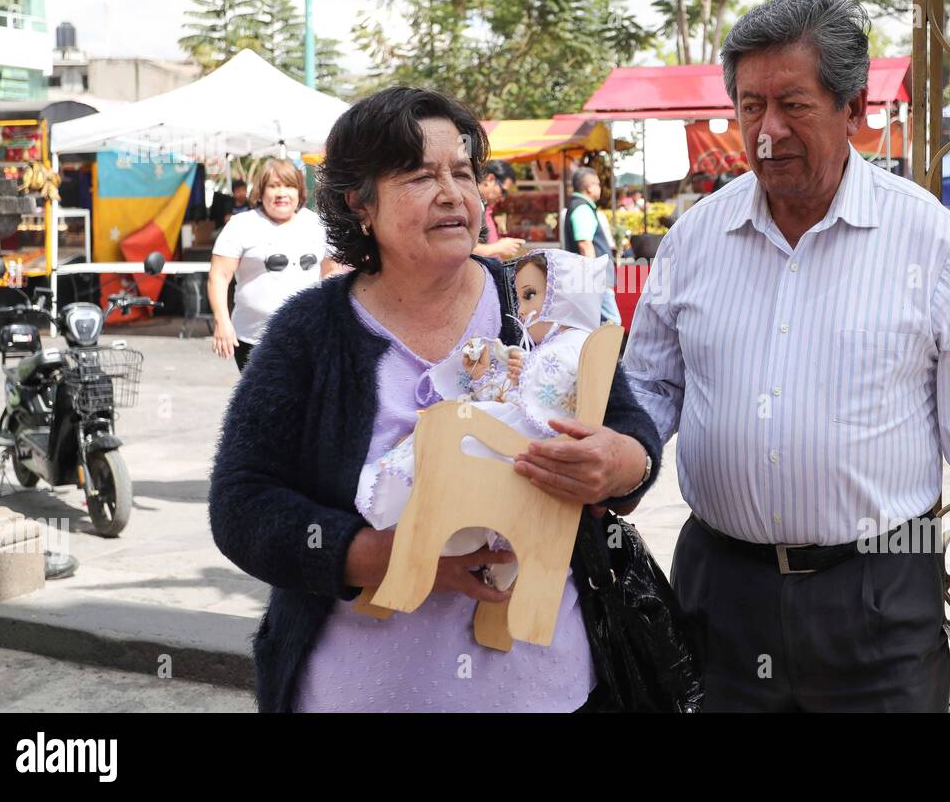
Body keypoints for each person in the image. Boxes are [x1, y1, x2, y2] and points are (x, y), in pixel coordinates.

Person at [620, 0, 950, 712]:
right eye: (750, 106)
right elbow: (650, 389)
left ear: (854, 110)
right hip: (720, 599)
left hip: (877, 601)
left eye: (793, 105)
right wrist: (616, 453)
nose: (768, 132)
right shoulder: (694, 241)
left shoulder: (929, 243)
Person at [208, 86, 661, 713]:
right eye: (421, 176)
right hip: (361, 691)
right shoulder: (311, 332)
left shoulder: (530, 301)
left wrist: (622, 464)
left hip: (544, 689)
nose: (454, 193)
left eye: (464, 171)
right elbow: (241, 503)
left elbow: (632, 430)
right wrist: (374, 556)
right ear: (359, 205)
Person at [358, 248, 610, 593]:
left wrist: (526, 373)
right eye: (521, 296)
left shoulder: (572, 346)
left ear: (564, 299)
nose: (522, 309)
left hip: (527, 443)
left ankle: (424, 530)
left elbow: (555, 397)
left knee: (450, 439)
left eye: (532, 296)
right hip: (521, 437)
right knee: (447, 432)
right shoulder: (556, 346)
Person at [207, 159, 336, 371]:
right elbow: (219, 276)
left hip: (309, 336)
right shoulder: (241, 225)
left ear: (299, 192)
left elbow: (331, 272)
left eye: (289, 186)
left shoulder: (317, 225)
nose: (282, 193)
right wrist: (222, 322)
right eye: (274, 186)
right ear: (261, 191)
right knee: (264, 400)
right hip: (254, 339)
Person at [562, 166, 621, 325]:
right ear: (589, 187)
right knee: (611, 323)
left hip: (589, 278)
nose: (600, 188)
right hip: (595, 279)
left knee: (601, 323)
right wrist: (594, 277)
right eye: (598, 184)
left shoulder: (578, 206)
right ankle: (603, 351)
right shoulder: (582, 208)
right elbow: (585, 245)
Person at [472, 162, 523, 260]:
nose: (502, 199)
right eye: (503, 191)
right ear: (490, 179)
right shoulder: (472, 203)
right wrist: (497, 248)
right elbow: (458, 248)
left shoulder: (481, 204)